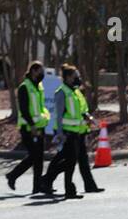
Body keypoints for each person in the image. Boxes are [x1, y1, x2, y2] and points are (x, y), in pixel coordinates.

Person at [40, 64, 103, 199]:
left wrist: (88, 117)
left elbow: (81, 111)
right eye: (75, 76)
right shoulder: (62, 92)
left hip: (78, 131)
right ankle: (64, 188)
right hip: (68, 133)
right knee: (70, 162)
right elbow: (59, 115)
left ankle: (86, 186)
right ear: (68, 77)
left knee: (78, 161)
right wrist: (60, 134)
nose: (78, 79)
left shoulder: (75, 91)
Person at [6, 62, 49, 195]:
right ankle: (13, 175)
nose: (42, 74)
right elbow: (24, 110)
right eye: (40, 71)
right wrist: (32, 126)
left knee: (38, 158)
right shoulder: (25, 87)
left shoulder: (39, 87)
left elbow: (41, 106)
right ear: (33, 71)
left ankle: (37, 186)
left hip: (39, 126)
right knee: (34, 156)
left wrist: (44, 119)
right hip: (28, 128)